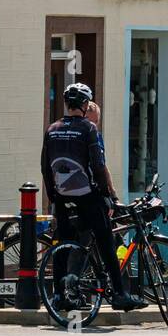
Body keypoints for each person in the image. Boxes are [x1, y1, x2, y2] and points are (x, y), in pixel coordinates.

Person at [41, 83, 146, 312]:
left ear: (67, 104)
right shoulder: (88, 129)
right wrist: (107, 196)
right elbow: (98, 166)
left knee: (62, 245)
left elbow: (45, 168)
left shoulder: (52, 129)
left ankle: (59, 296)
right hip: (88, 197)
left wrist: (54, 196)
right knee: (106, 243)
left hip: (61, 198)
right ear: (84, 104)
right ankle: (119, 294)